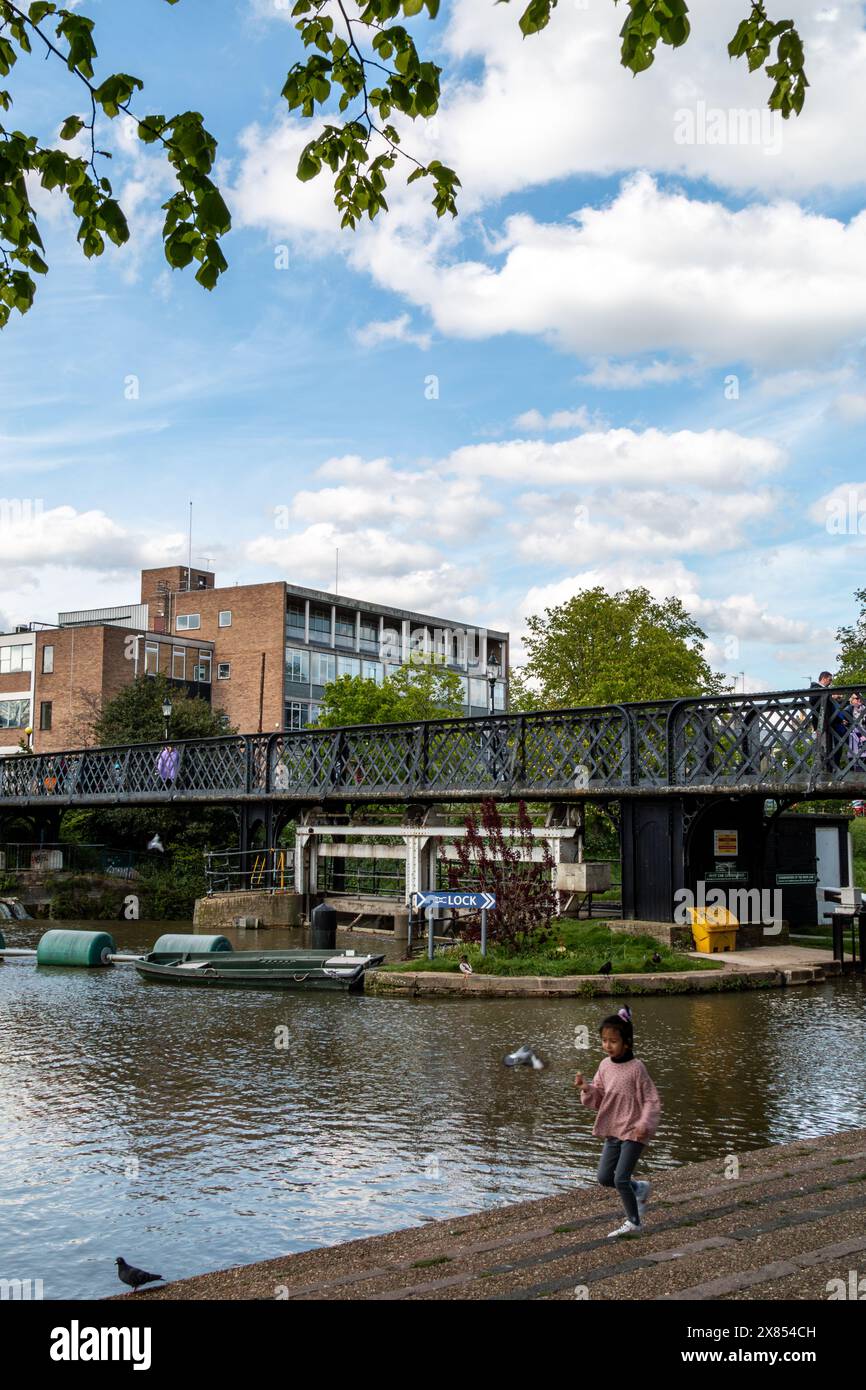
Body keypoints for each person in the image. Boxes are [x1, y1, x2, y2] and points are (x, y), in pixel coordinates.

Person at [574, 1005, 661, 1238]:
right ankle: (639, 1188)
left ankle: (634, 1222)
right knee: (604, 1178)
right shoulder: (604, 1065)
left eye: (613, 1041)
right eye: (604, 1040)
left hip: (634, 1130)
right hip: (613, 1129)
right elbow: (600, 1097)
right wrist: (586, 1089)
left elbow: (652, 1099)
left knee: (620, 1177)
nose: (607, 1045)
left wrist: (645, 1123)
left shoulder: (637, 1068)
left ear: (627, 1043)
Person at [843, 692, 866, 770]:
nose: (859, 700)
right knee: (856, 764)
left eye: (860, 698)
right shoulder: (848, 710)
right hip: (854, 740)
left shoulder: (864, 708)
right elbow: (844, 723)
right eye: (857, 698)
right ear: (851, 700)